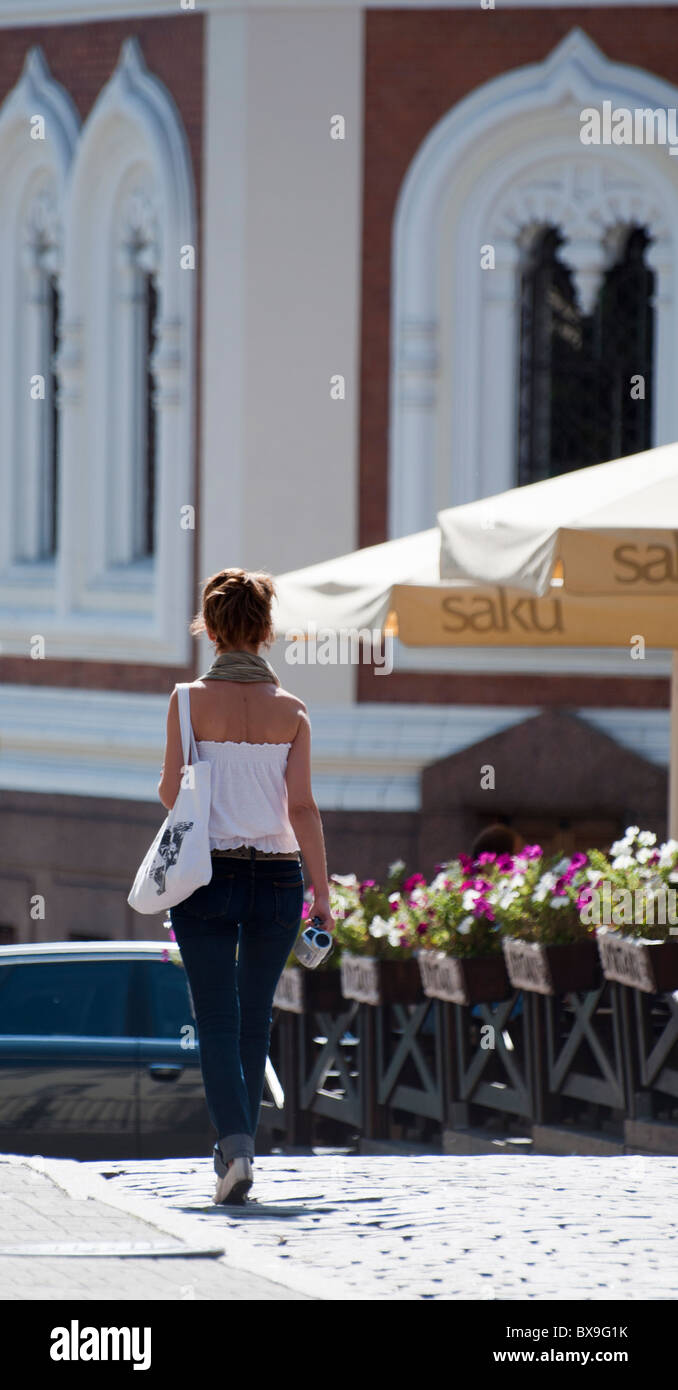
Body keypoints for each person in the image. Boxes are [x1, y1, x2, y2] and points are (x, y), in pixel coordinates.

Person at [158, 568, 333, 1205]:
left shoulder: (185, 700)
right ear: (264, 630)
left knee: (217, 1020)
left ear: (209, 627)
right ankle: (243, 1151)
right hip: (280, 878)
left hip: (206, 876)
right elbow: (304, 808)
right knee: (256, 1016)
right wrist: (324, 894)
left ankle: (234, 1148)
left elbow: (169, 790)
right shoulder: (293, 711)